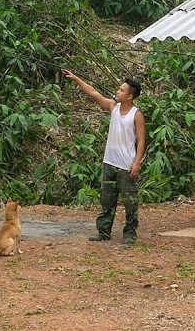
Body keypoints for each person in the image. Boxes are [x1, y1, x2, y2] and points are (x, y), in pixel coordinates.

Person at [61, 70, 145, 245]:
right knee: (107, 200)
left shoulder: (136, 114)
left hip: (125, 165)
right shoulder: (113, 107)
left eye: (121, 90)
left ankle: (130, 233)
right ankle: (104, 231)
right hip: (109, 162)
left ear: (130, 96)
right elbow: (93, 93)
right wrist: (76, 79)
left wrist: (136, 163)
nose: (117, 92)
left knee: (130, 201)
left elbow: (141, 139)